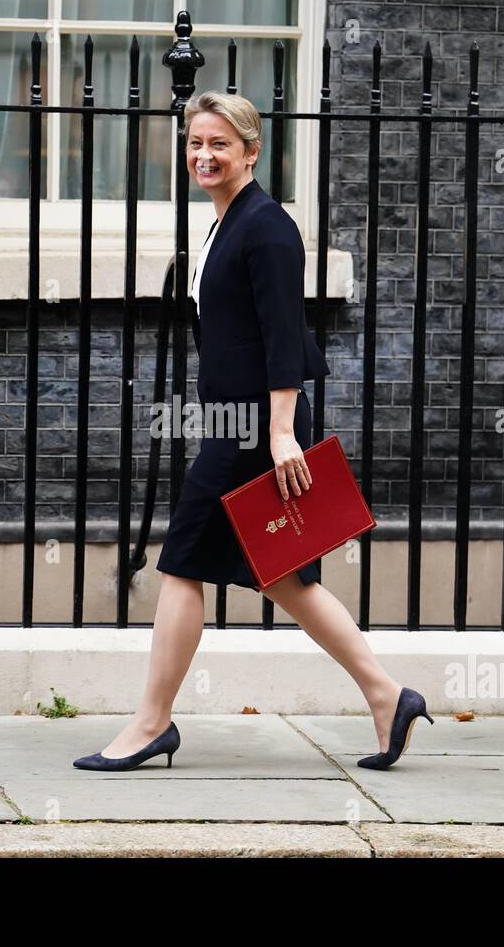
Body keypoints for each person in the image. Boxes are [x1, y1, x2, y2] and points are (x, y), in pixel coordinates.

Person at [73, 92, 431, 773]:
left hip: (253, 429)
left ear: (252, 150)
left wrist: (281, 432)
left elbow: (283, 334)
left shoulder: (266, 227)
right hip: (237, 421)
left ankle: (151, 724)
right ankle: (389, 696)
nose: (204, 156)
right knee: (284, 577)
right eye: (195, 143)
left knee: (181, 564)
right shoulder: (226, 222)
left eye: (220, 145)